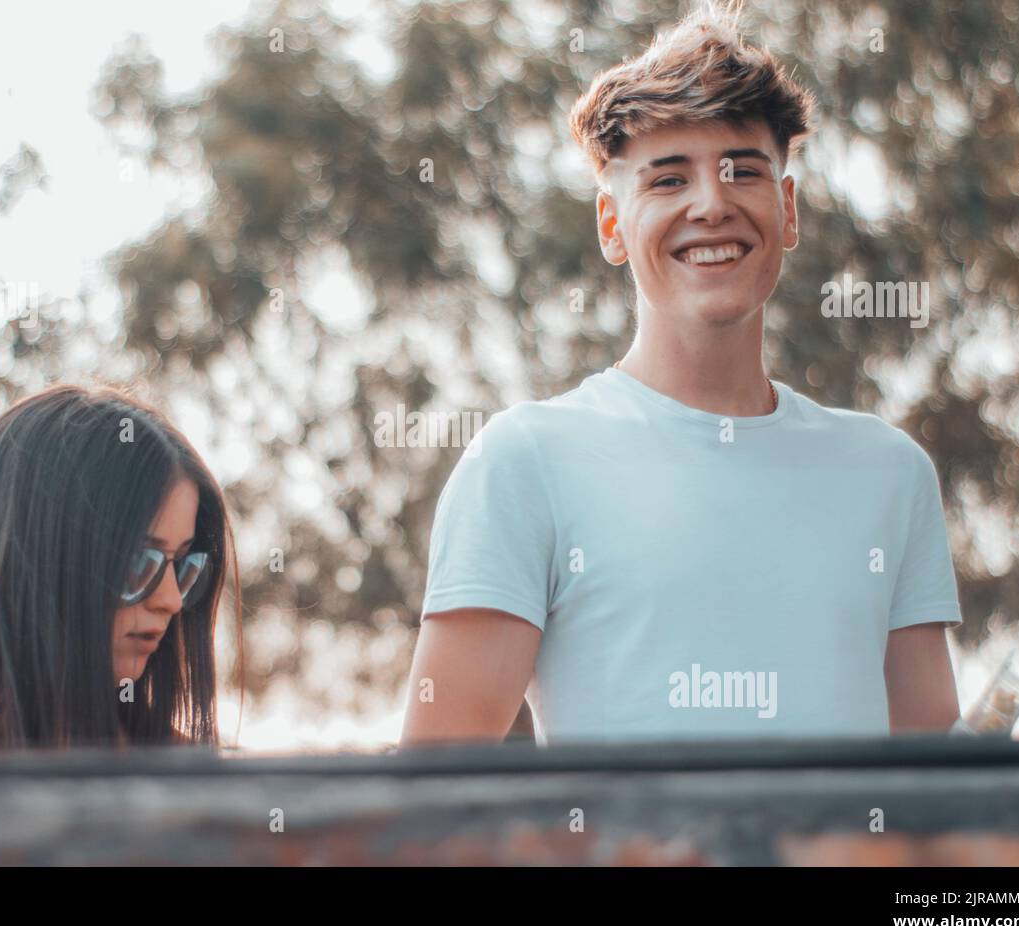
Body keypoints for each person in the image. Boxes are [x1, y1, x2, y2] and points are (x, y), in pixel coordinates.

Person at [402, 1, 962, 746]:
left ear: (787, 210)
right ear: (611, 225)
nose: (711, 203)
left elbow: (933, 802)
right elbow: (440, 799)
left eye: (743, 172)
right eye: (668, 180)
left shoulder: (890, 474)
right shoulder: (524, 461)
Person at [0, 383, 240, 755]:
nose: (171, 600)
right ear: (40, 560)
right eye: (138, 561)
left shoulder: (180, 771)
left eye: (181, 564)